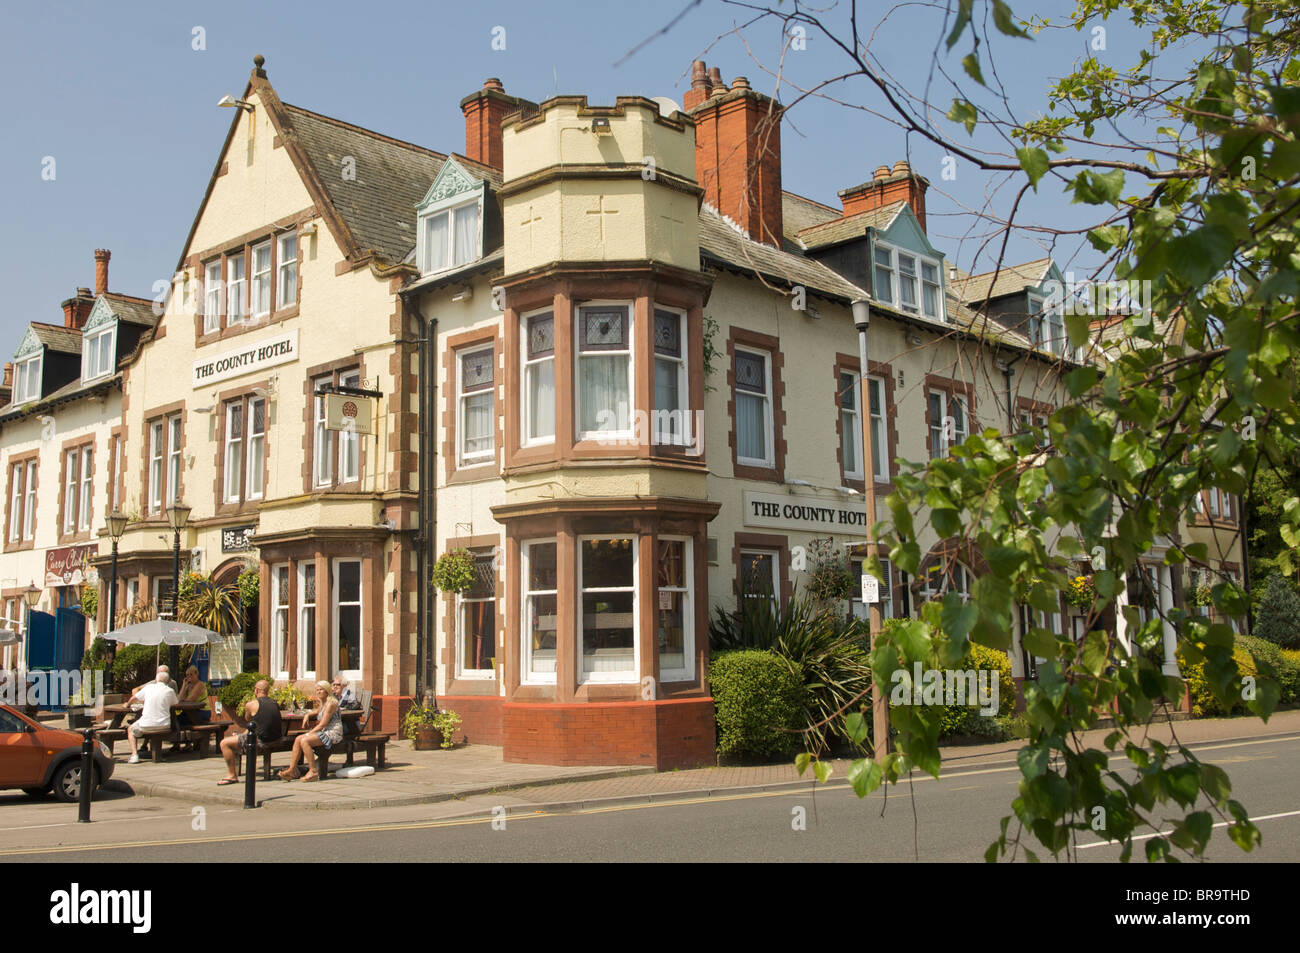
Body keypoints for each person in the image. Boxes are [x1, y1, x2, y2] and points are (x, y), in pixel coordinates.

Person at [218, 679, 283, 785]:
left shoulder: (251, 704)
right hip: (276, 739)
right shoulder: (274, 703)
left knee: (224, 743)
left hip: (261, 741)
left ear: (256, 690)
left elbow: (247, 719)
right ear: (267, 691)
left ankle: (232, 775)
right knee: (250, 730)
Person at [280, 681, 340, 782]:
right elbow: (317, 711)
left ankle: (313, 771)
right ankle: (292, 770)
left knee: (305, 740)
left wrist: (309, 733)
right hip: (324, 731)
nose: (319, 692)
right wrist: (307, 715)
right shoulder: (323, 703)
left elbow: (323, 724)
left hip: (333, 732)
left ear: (327, 691)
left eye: (321, 689)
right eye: (317, 690)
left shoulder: (331, 704)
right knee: (298, 738)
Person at [127, 670, 180, 764]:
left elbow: (133, 698)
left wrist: (127, 705)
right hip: (165, 725)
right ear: (168, 682)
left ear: (156, 680)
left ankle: (134, 755)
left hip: (146, 725)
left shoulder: (149, 688)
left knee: (130, 729)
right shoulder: (170, 690)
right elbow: (176, 703)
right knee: (153, 724)